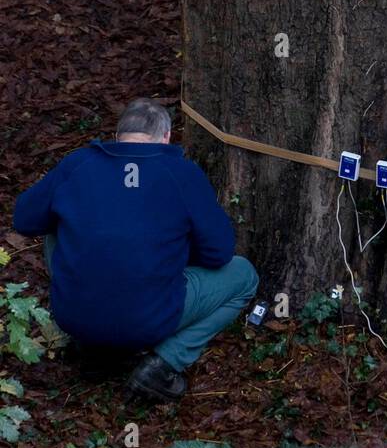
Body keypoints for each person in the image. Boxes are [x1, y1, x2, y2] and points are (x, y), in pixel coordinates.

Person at [12, 98, 258, 403]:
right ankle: (164, 364)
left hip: (74, 315)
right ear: (167, 137)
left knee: (53, 224)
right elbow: (219, 253)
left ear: (118, 135)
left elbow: (24, 218)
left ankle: (93, 348)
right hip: (151, 318)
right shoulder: (181, 173)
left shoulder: (79, 163)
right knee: (244, 276)